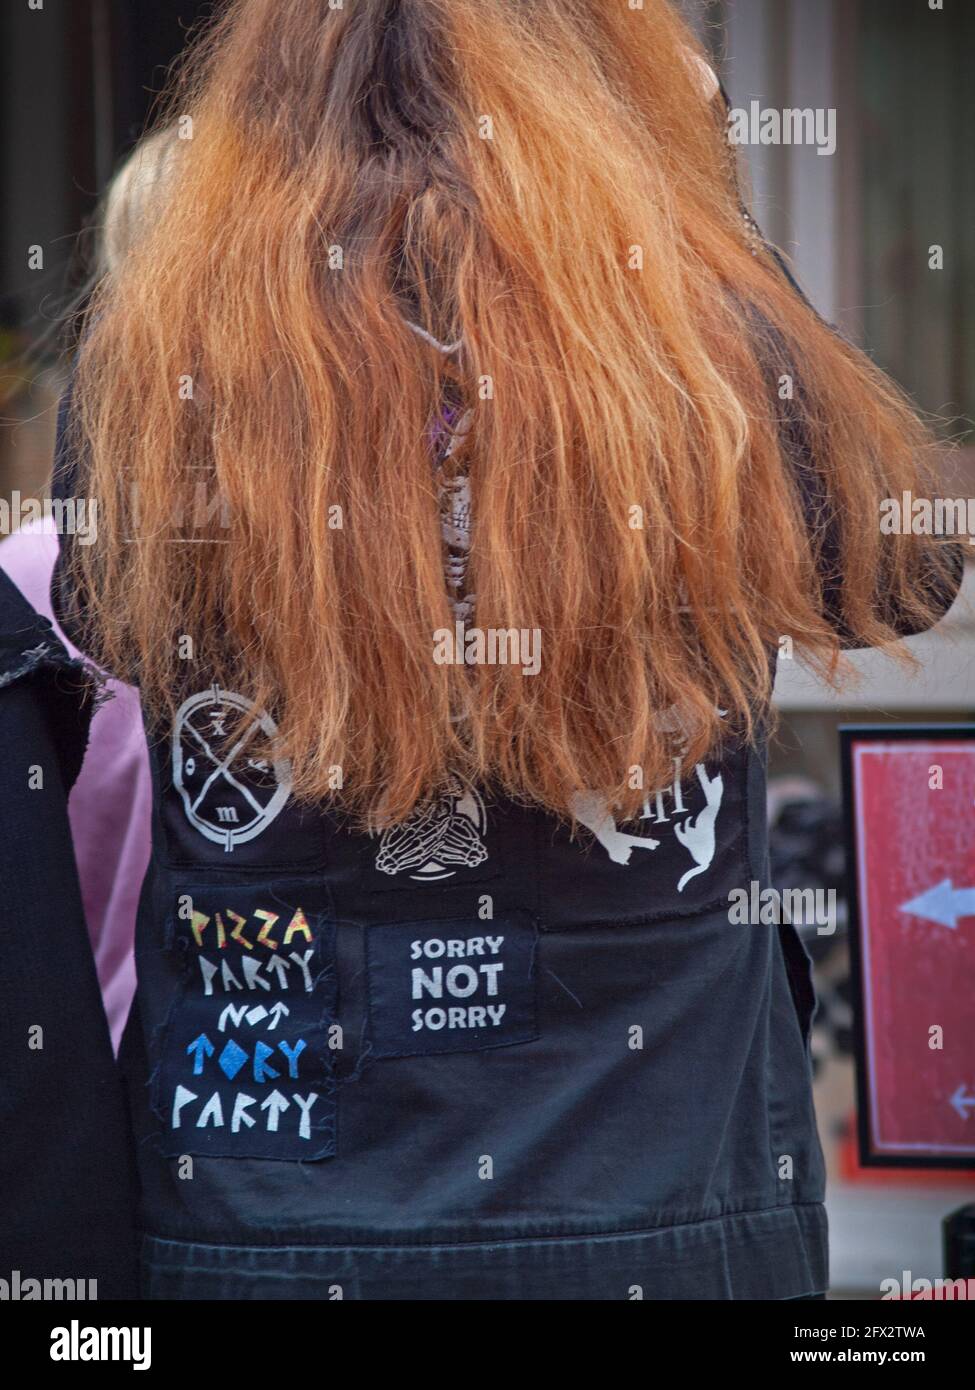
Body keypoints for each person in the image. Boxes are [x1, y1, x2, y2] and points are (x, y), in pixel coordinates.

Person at [50, 0, 962, 1300]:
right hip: (660, 1200)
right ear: (607, 75)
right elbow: (904, 574)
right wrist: (699, 204)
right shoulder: (701, 335)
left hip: (267, 1193)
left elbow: (103, 618)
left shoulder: (159, 365)